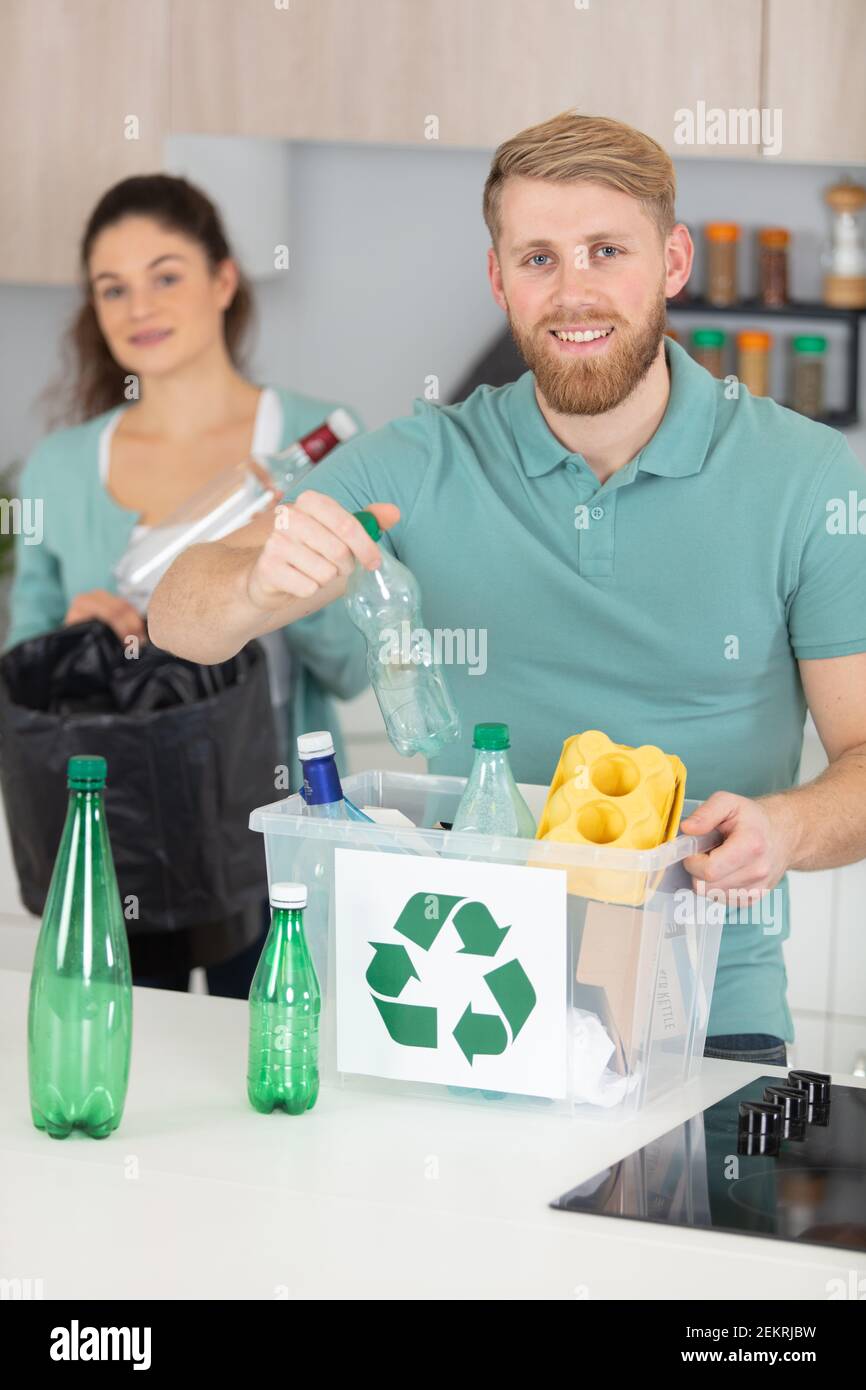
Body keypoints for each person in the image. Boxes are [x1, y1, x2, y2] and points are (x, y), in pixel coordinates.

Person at [149, 112, 866, 1065]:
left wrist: (783, 829)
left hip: (698, 1010)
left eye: (606, 250)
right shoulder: (419, 461)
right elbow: (179, 617)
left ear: (673, 261)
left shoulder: (808, 480)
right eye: (537, 259)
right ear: (499, 280)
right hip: (447, 998)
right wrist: (257, 579)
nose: (573, 291)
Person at [8, 174, 364, 996]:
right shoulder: (60, 469)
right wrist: (71, 634)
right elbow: (23, 658)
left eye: (166, 274)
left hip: (279, 831)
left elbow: (350, 666)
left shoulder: (314, 445)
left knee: (277, 1068)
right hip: (121, 836)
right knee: (140, 1081)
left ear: (224, 280)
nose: (140, 306)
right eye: (113, 288)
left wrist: (280, 567)